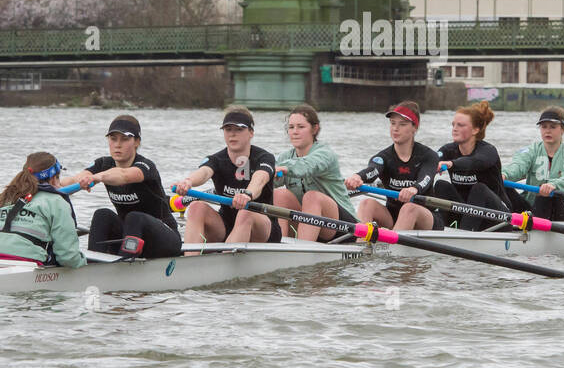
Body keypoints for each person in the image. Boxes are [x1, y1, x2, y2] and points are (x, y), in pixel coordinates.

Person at [67, 115, 183, 257]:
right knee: (102, 214)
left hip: (164, 239)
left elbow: (124, 176)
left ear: (137, 142)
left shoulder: (145, 166)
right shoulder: (102, 164)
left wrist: (98, 177)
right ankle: (94, 263)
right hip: (131, 237)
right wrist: (43, 186)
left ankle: (124, 266)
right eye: (113, 139)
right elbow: (75, 180)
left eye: (125, 139)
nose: (118, 144)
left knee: (135, 217)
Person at [172, 106, 281, 245]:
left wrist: (248, 194)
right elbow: (204, 172)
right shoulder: (216, 159)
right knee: (195, 207)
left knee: (245, 213)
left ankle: (225, 260)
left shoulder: (264, 158)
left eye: (239, 129)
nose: (232, 134)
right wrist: (188, 182)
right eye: (228, 129)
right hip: (226, 225)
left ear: (251, 133)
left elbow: (260, 179)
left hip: (264, 227)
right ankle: (190, 260)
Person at [0, 152, 86, 268]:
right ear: (54, 178)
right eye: (59, 177)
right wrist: (84, 265)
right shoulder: (57, 202)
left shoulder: (3, 197)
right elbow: (68, 257)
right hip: (26, 260)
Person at [344, 101, 441, 231]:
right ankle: (359, 246)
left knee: (408, 208)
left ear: (414, 128)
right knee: (366, 204)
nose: (395, 128)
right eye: (393, 123)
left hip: (426, 217)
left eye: (402, 124)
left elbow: (426, 178)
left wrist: (414, 189)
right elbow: (372, 170)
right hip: (393, 216)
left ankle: (392, 248)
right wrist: (357, 177)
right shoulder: (383, 157)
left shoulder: (429, 156)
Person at [272, 104, 356, 241]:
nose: (294, 131)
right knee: (279, 194)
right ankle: (279, 244)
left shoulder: (325, 154)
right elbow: (269, 184)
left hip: (344, 228)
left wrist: (285, 168)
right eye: (291, 127)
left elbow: (307, 166)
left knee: (312, 197)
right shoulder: (284, 158)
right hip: (309, 223)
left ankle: (302, 249)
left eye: (301, 127)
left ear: (314, 129)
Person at [432, 100, 509, 231]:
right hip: (467, 212)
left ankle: (464, 235)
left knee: (479, 189)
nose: (454, 128)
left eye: (461, 125)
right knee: (440, 185)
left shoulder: (488, 150)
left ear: (475, 130)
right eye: (453, 125)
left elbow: (475, 162)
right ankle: (440, 230)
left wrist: (451, 164)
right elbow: (431, 160)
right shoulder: (448, 150)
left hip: (498, 216)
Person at [503, 107, 564, 222]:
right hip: (531, 208)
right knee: (502, 185)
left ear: (563, 129)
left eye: (553, 127)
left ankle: (533, 233)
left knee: (544, 196)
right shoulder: (532, 150)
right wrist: (504, 174)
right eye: (544, 127)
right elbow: (518, 165)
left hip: (560, 210)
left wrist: (553, 185)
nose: (547, 131)